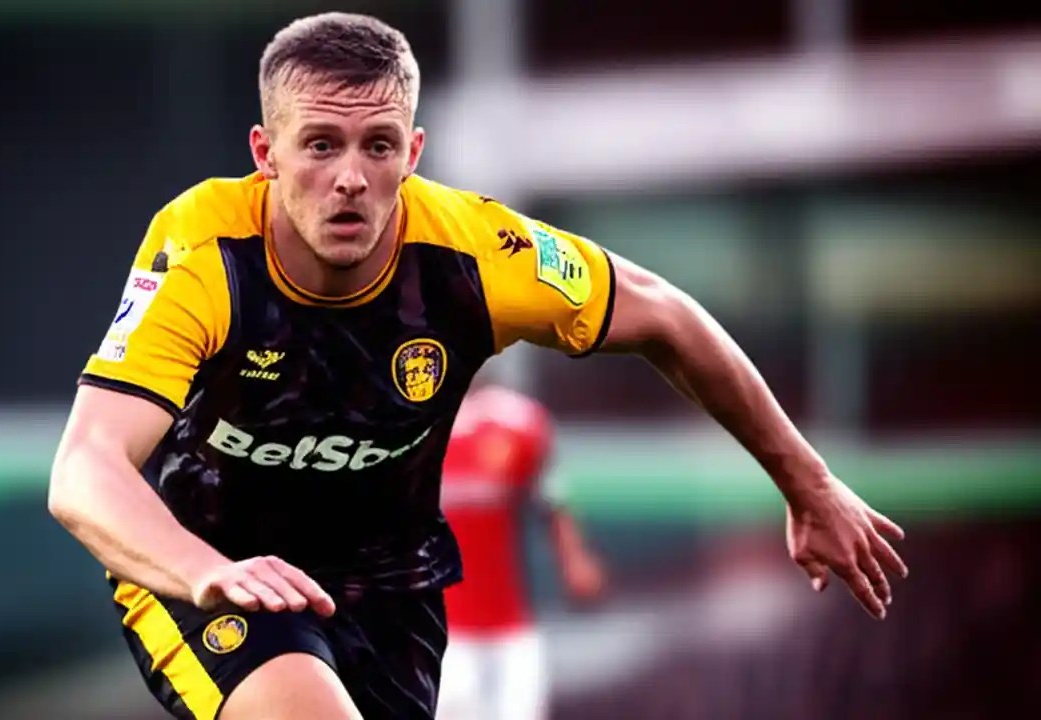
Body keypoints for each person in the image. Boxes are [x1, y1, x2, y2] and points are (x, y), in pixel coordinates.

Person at [47, 11, 909, 720]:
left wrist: (809, 485)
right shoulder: (204, 252)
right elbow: (84, 469)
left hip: (391, 587)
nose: (350, 177)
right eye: (320, 145)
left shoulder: (474, 254)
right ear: (265, 154)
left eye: (377, 146)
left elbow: (665, 316)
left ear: (413, 154)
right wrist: (204, 570)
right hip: (211, 573)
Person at [436, 383, 606, 720]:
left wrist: (574, 560)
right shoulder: (405, 426)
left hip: (510, 628)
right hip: (439, 631)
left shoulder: (516, 423)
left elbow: (551, 499)